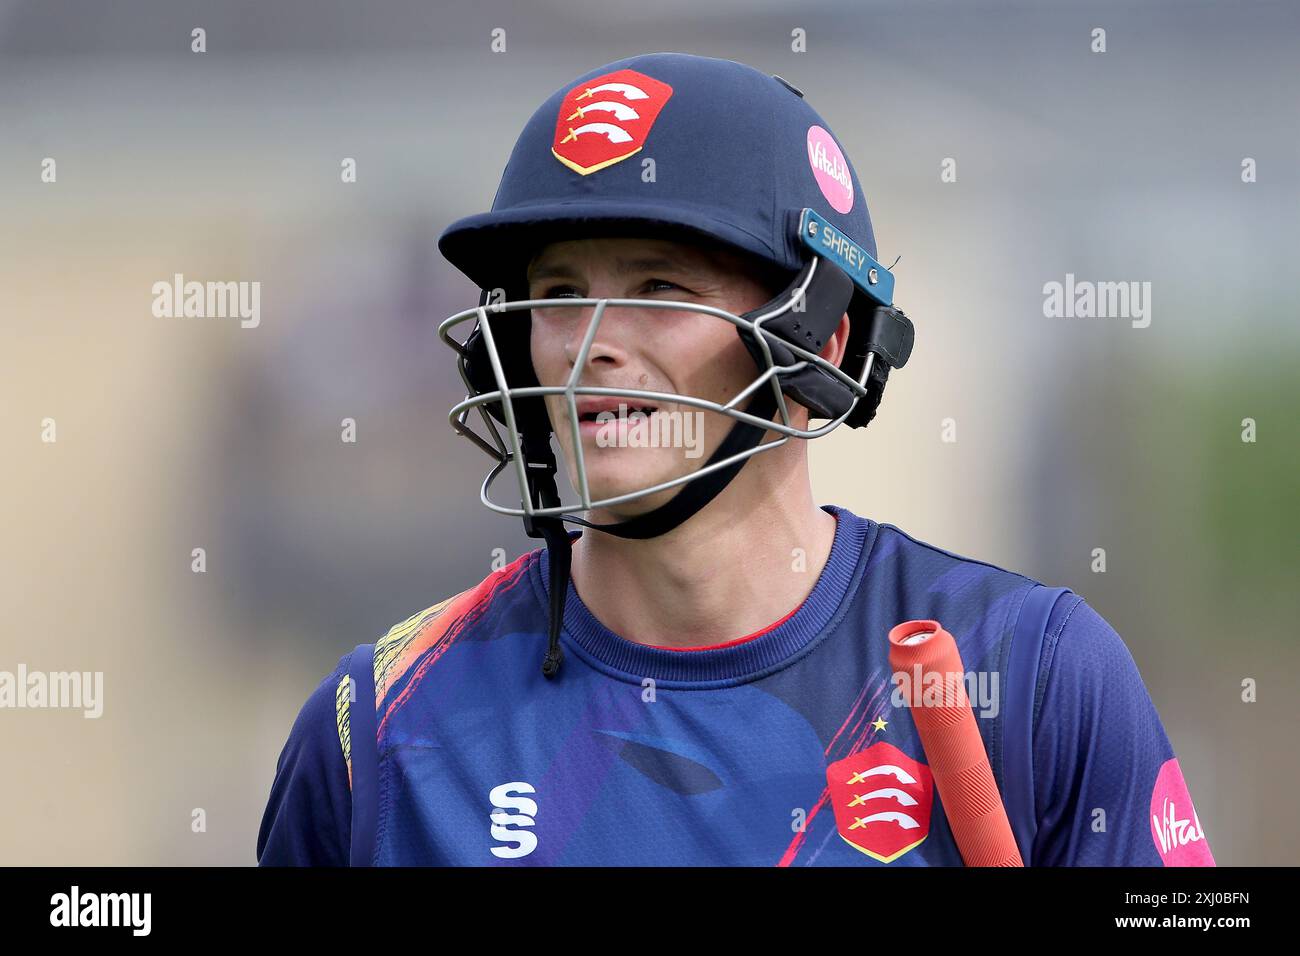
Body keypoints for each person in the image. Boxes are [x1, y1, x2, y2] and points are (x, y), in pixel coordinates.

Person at [257, 52, 1213, 867]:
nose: (591, 343)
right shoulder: (376, 724)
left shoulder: (1035, 674)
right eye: (557, 292)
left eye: (660, 287)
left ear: (820, 342)